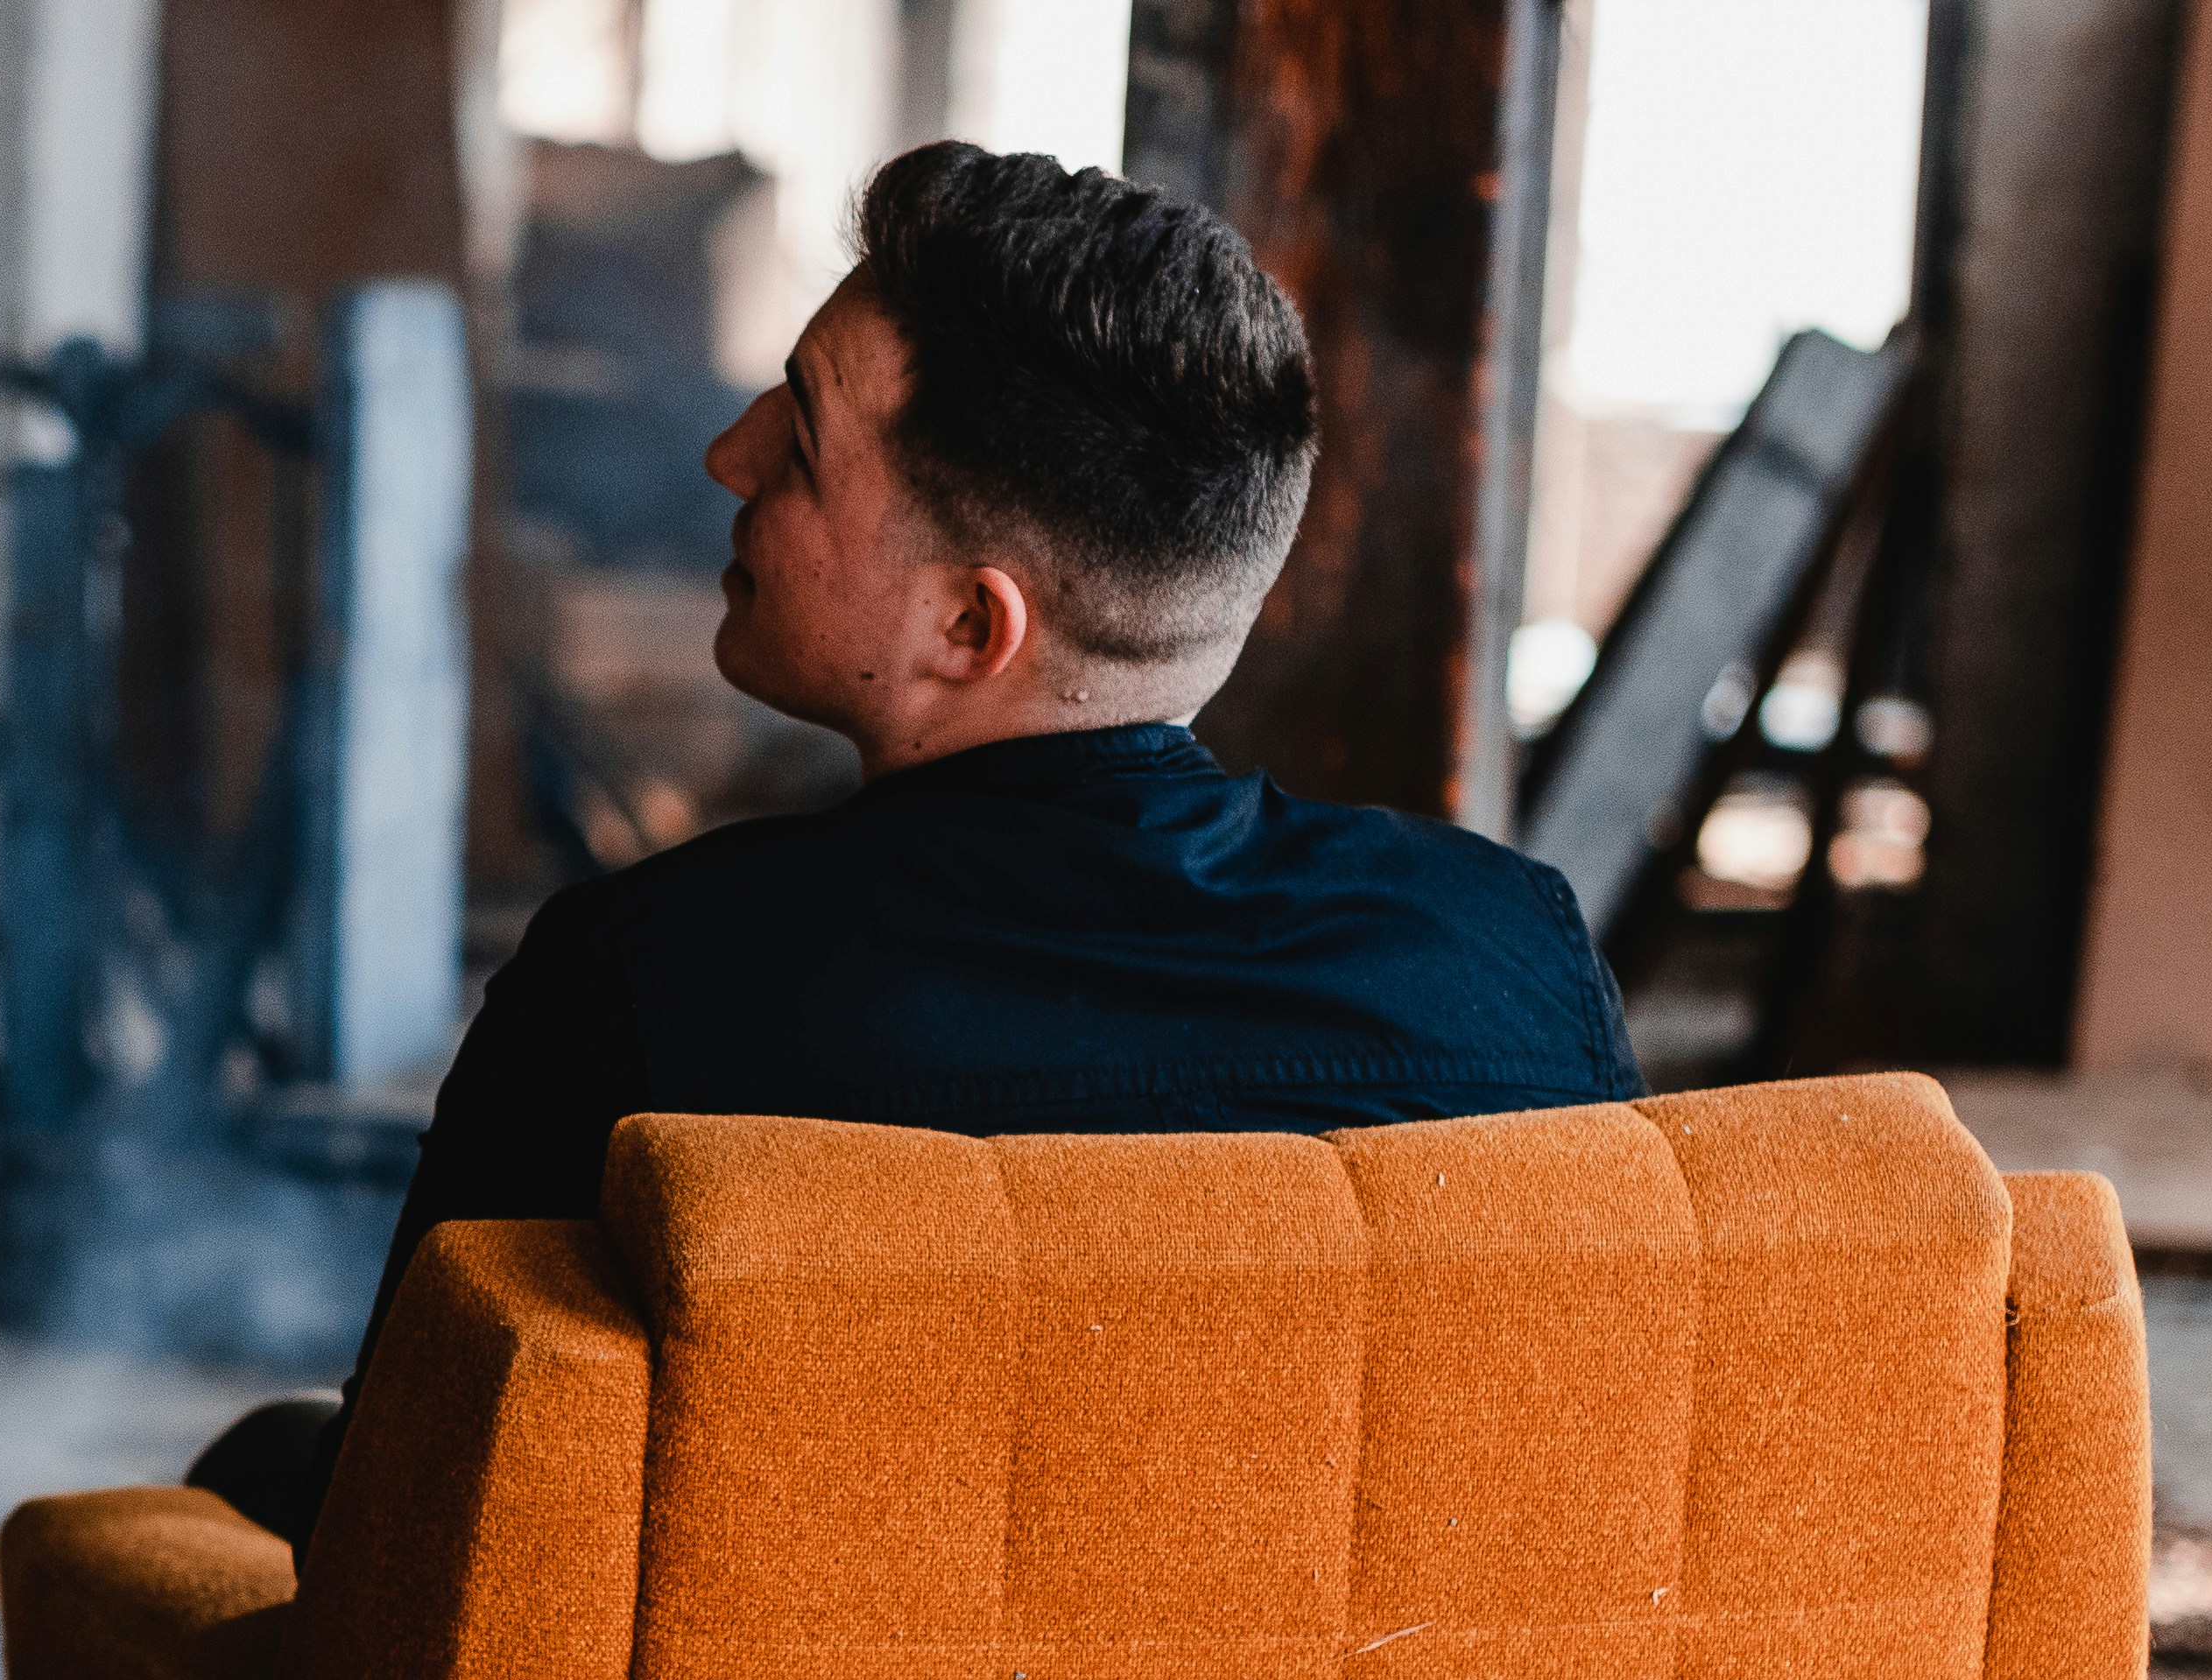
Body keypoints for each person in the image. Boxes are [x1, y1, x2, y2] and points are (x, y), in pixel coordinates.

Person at [189, 139, 1639, 1547]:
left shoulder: (643, 984)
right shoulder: (1511, 956)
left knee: (266, 1462)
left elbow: (410, 1539)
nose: (726, 452)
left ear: (969, 627)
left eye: (803, 443)